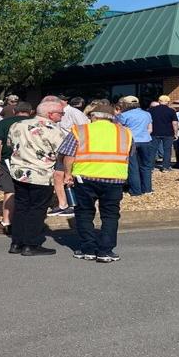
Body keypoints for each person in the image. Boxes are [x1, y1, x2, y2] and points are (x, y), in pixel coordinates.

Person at [57, 99, 131, 262]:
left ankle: (87, 248)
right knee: (110, 215)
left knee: (84, 213)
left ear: (93, 116)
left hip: (85, 177)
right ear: (112, 117)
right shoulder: (125, 132)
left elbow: (68, 155)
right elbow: (129, 154)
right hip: (114, 178)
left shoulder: (80, 130)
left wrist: (67, 174)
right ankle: (106, 250)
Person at [5, 100, 68, 257]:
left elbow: (10, 144)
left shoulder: (16, 125)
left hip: (19, 172)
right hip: (41, 174)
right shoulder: (54, 130)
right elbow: (62, 153)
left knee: (21, 206)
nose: (62, 116)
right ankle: (31, 244)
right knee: (37, 209)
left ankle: (17, 242)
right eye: (61, 113)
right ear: (50, 114)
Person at [0, 102, 36, 234]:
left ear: (15, 111)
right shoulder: (35, 122)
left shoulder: (4, 123)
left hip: (9, 159)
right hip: (32, 159)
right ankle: (29, 222)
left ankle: (6, 222)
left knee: (10, 191)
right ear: (31, 111)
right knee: (31, 190)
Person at [116, 95, 154, 196]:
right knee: (146, 166)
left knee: (133, 166)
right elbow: (150, 129)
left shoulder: (123, 115)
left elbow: (119, 130)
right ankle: (147, 189)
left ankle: (136, 190)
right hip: (146, 141)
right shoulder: (147, 114)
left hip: (131, 141)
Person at [147, 95, 178, 172]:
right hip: (168, 133)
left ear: (159, 101)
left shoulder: (151, 110)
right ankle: (165, 167)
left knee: (152, 150)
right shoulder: (171, 111)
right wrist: (176, 133)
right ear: (168, 102)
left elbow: (147, 121)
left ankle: (150, 167)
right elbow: (174, 123)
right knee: (167, 150)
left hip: (154, 132)